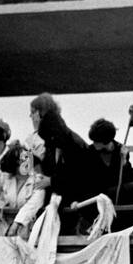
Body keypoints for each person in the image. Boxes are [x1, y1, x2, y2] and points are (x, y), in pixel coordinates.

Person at [70, 118, 133, 235]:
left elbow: (128, 179)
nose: (94, 143)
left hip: (115, 195)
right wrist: (75, 199)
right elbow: (81, 179)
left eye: (96, 141)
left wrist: (124, 162)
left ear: (105, 140)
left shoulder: (121, 150)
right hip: (97, 195)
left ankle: (132, 228)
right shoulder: (88, 153)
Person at [29, 93, 90, 227]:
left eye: (33, 112)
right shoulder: (52, 143)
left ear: (42, 114)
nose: (30, 117)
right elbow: (45, 172)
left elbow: (80, 176)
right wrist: (30, 158)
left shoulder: (74, 144)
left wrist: (51, 181)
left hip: (74, 208)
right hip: (56, 206)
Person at [0, 141, 46, 238]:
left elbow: (33, 205)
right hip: (3, 228)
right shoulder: (4, 180)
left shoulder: (38, 181)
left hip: (27, 231)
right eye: (22, 160)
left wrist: (16, 224)